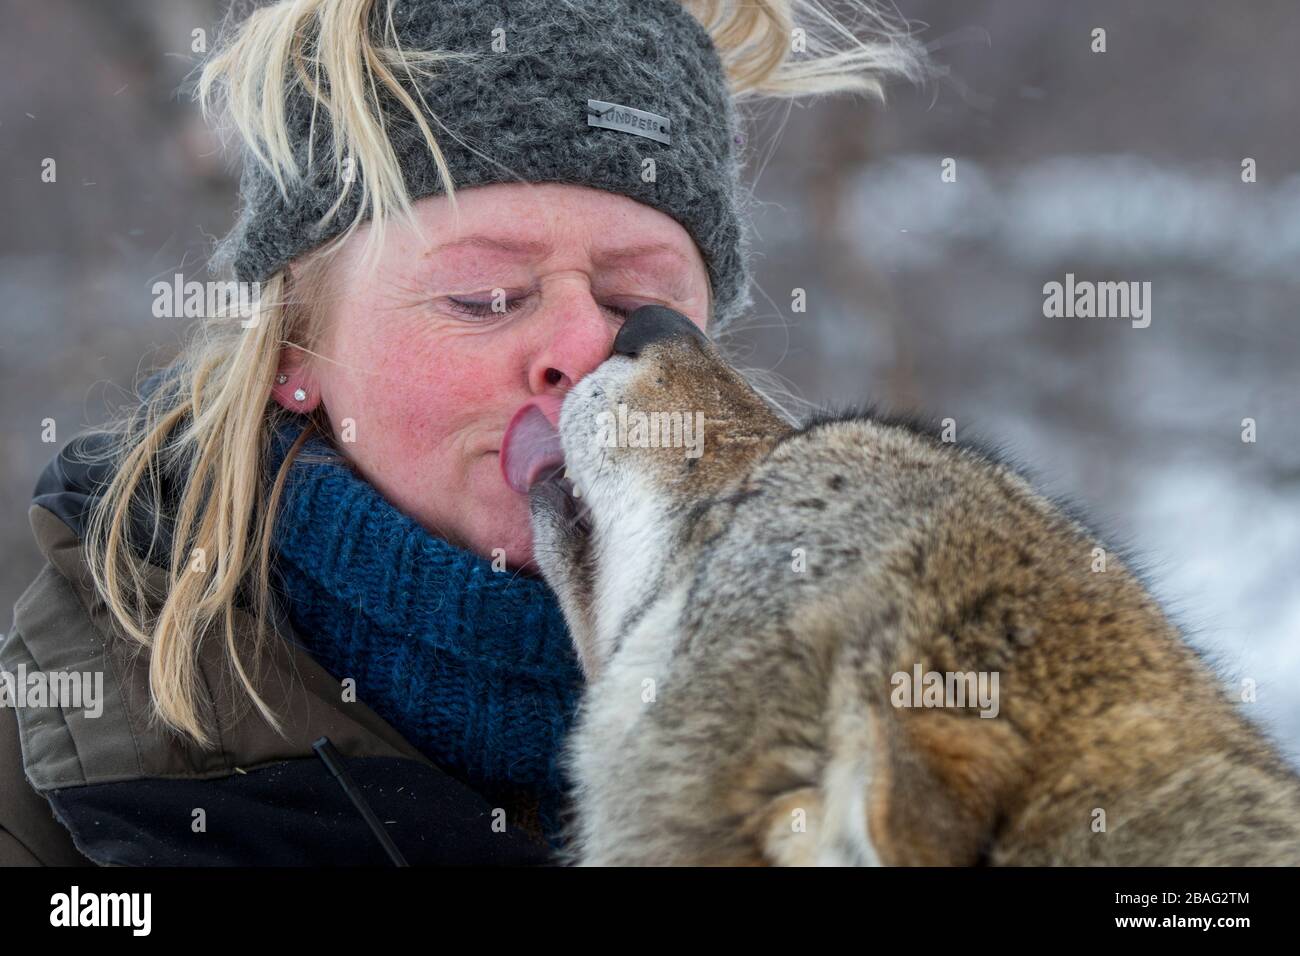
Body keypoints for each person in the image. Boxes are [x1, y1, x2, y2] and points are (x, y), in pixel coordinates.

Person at [0, 0, 922, 865]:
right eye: (485, 297)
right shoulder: (51, 768)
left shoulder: (900, 762)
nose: (584, 349)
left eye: (640, 303)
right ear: (295, 349)